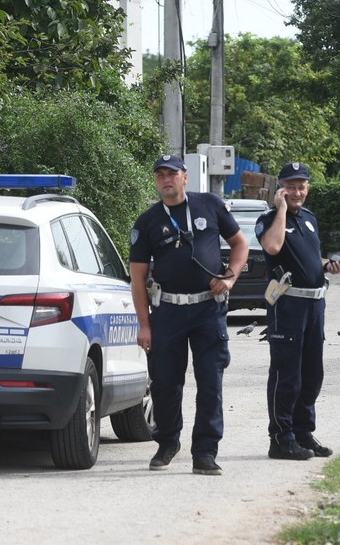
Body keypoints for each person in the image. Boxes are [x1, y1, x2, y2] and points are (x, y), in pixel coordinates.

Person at [130, 154, 248, 475]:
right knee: (165, 383)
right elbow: (138, 279)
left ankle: (205, 452)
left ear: (185, 177)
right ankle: (168, 442)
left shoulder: (209, 205)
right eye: (160, 175)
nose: (166, 180)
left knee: (211, 382)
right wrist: (144, 325)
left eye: (172, 174)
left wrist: (230, 276)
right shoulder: (148, 221)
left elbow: (240, 244)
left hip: (208, 310)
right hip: (167, 310)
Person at [257, 162, 340, 462]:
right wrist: (280, 209)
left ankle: (303, 432)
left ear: (308, 188)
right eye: (290, 186)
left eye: (301, 186)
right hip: (289, 305)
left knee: (311, 374)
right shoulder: (270, 219)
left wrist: (327, 264)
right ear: (281, 188)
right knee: (287, 375)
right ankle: (281, 438)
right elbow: (272, 247)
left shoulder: (309, 219)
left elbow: (309, 258)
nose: (296, 192)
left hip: (314, 304)